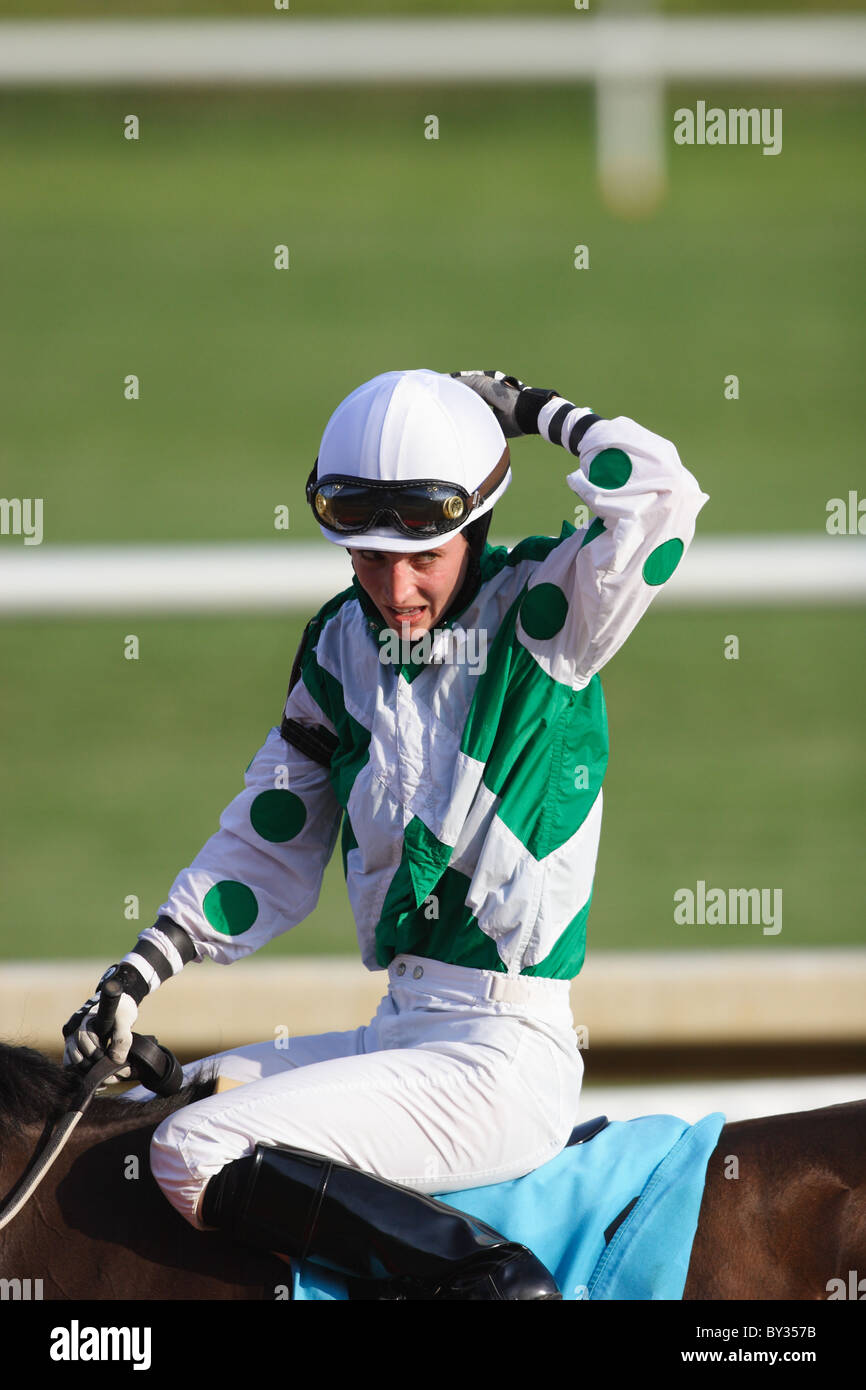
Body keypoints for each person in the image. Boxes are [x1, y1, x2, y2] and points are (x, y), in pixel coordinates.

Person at [62, 368, 708, 1300]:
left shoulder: (549, 614)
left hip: (502, 1059)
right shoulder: (339, 645)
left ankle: (495, 1285)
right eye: (366, 558)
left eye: (423, 558)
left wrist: (534, 413)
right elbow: (269, 833)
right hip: (399, 1031)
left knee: (194, 1153)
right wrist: (140, 971)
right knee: (142, 1116)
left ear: (475, 528)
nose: (393, 588)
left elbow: (661, 495)